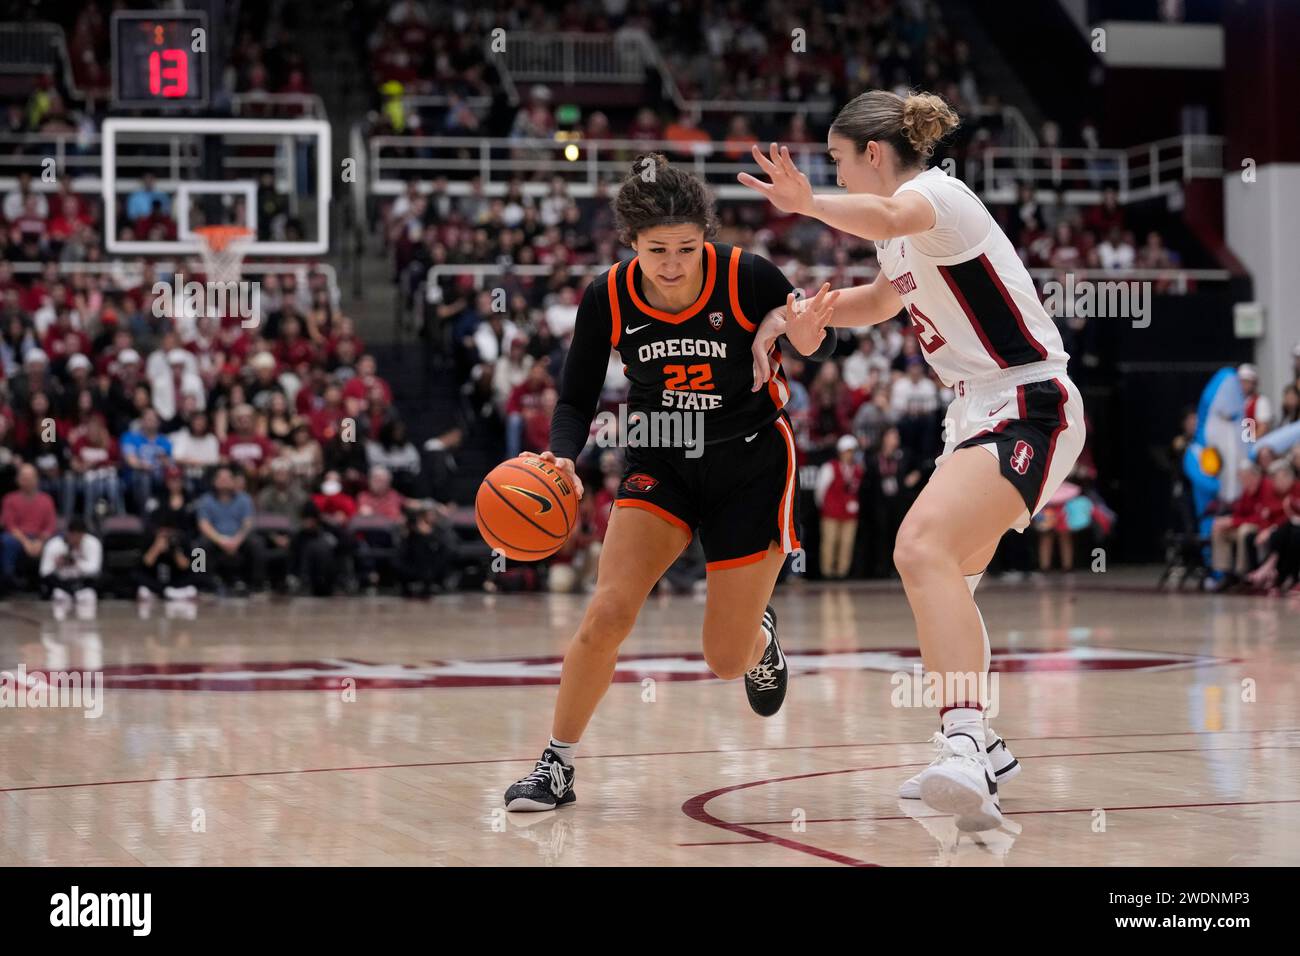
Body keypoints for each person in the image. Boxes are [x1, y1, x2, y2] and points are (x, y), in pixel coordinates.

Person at [741, 89, 1087, 830]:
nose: (830, 172)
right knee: (949, 578)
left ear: (872, 154)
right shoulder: (898, 237)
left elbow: (888, 216)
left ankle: (960, 742)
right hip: (976, 410)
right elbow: (880, 299)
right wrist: (805, 316)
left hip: (1027, 400)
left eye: (836, 161)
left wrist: (806, 204)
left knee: (920, 546)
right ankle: (983, 746)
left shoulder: (935, 195)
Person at [503, 151, 839, 812]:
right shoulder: (609, 294)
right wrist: (564, 457)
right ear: (631, 243)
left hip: (751, 463)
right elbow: (573, 401)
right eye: (658, 250)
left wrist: (811, 339)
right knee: (607, 612)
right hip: (661, 456)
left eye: (687, 248)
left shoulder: (748, 277)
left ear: (705, 239)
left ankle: (759, 641)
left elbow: (812, 340)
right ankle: (556, 764)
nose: (674, 263)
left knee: (723, 658)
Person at [195, 465, 265, 593]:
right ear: (214, 481)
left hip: (239, 538)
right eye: (221, 478)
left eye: (228, 478)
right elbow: (203, 524)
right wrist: (221, 540)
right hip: (215, 538)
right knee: (198, 548)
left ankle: (256, 584)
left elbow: (248, 523)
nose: (224, 481)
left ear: (234, 481)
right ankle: (199, 583)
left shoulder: (244, 499)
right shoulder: (206, 500)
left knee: (257, 543)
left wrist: (237, 540)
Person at [1, 462, 57, 593]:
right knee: (6, 541)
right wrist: (26, 542)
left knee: (57, 541)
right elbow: (10, 525)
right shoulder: (9, 499)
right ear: (18, 480)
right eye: (23, 478)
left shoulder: (46, 499)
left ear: (37, 479)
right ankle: (8, 578)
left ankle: (49, 580)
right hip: (18, 538)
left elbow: (50, 526)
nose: (27, 482)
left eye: (30, 478)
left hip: (39, 537)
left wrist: (39, 542)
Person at [815, 434, 864, 579]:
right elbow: (820, 490)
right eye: (847, 451)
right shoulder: (830, 467)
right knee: (829, 542)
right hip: (831, 512)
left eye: (852, 451)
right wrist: (824, 506)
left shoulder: (858, 469)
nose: (849, 455)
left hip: (850, 513)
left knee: (846, 543)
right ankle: (827, 571)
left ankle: (842, 572)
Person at [39, 516, 101, 610]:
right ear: (68, 533)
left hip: (83, 585)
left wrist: (76, 563)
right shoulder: (54, 545)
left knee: (89, 595)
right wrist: (56, 565)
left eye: (79, 536)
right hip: (60, 585)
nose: (75, 539)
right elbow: (44, 572)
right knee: (58, 595)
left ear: (84, 534)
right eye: (73, 535)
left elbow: (95, 569)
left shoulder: (93, 543)